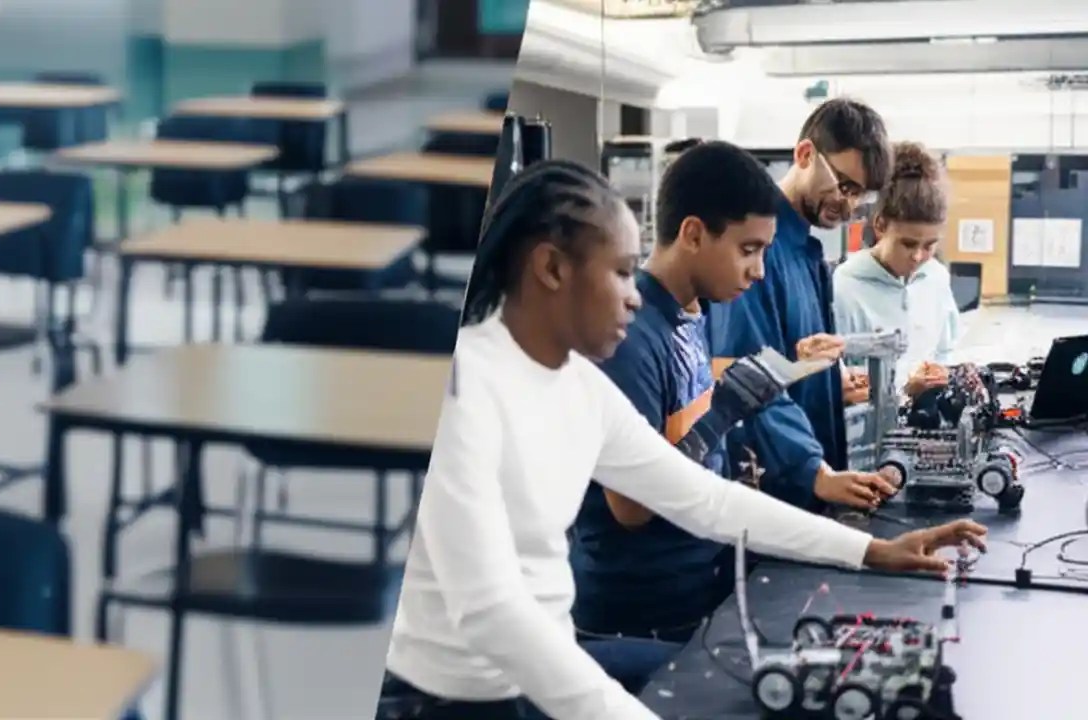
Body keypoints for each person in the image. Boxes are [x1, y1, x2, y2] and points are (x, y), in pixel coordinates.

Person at [376, 158, 986, 720]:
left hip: (541, 670)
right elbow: (490, 612)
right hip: (454, 699)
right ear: (552, 269)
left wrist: (872, 551)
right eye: (621, 272)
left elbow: (706, 499)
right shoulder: (464, 393)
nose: (633, 296)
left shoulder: (576, 385)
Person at [568, 140, 781, 693]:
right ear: (692, 234)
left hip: (693, 594)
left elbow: (678, 429)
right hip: (639, 619)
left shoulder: (689, 315)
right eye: (748, 249)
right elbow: (632, 507)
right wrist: (721, 415)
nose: (759, 271)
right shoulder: (629, 336)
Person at [708, 97, 899, 514]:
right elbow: (743, 382)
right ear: (806, 155)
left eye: (860, 195)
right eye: (844, 186)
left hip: (810, 485)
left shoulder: (806, 252)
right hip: (773, 494)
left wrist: (829, 382)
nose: (849, 205)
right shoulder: (759, 252)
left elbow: (788, 361)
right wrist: (813, 471)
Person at [833, 141, 959, 399]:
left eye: (929, 245)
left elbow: (946, 353)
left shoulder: (936, 278)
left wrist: (939, 376)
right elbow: (837, 383)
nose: (918, 256)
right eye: (908, 244)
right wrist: (903, 391)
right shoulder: (844, 287)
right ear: (880, 225)